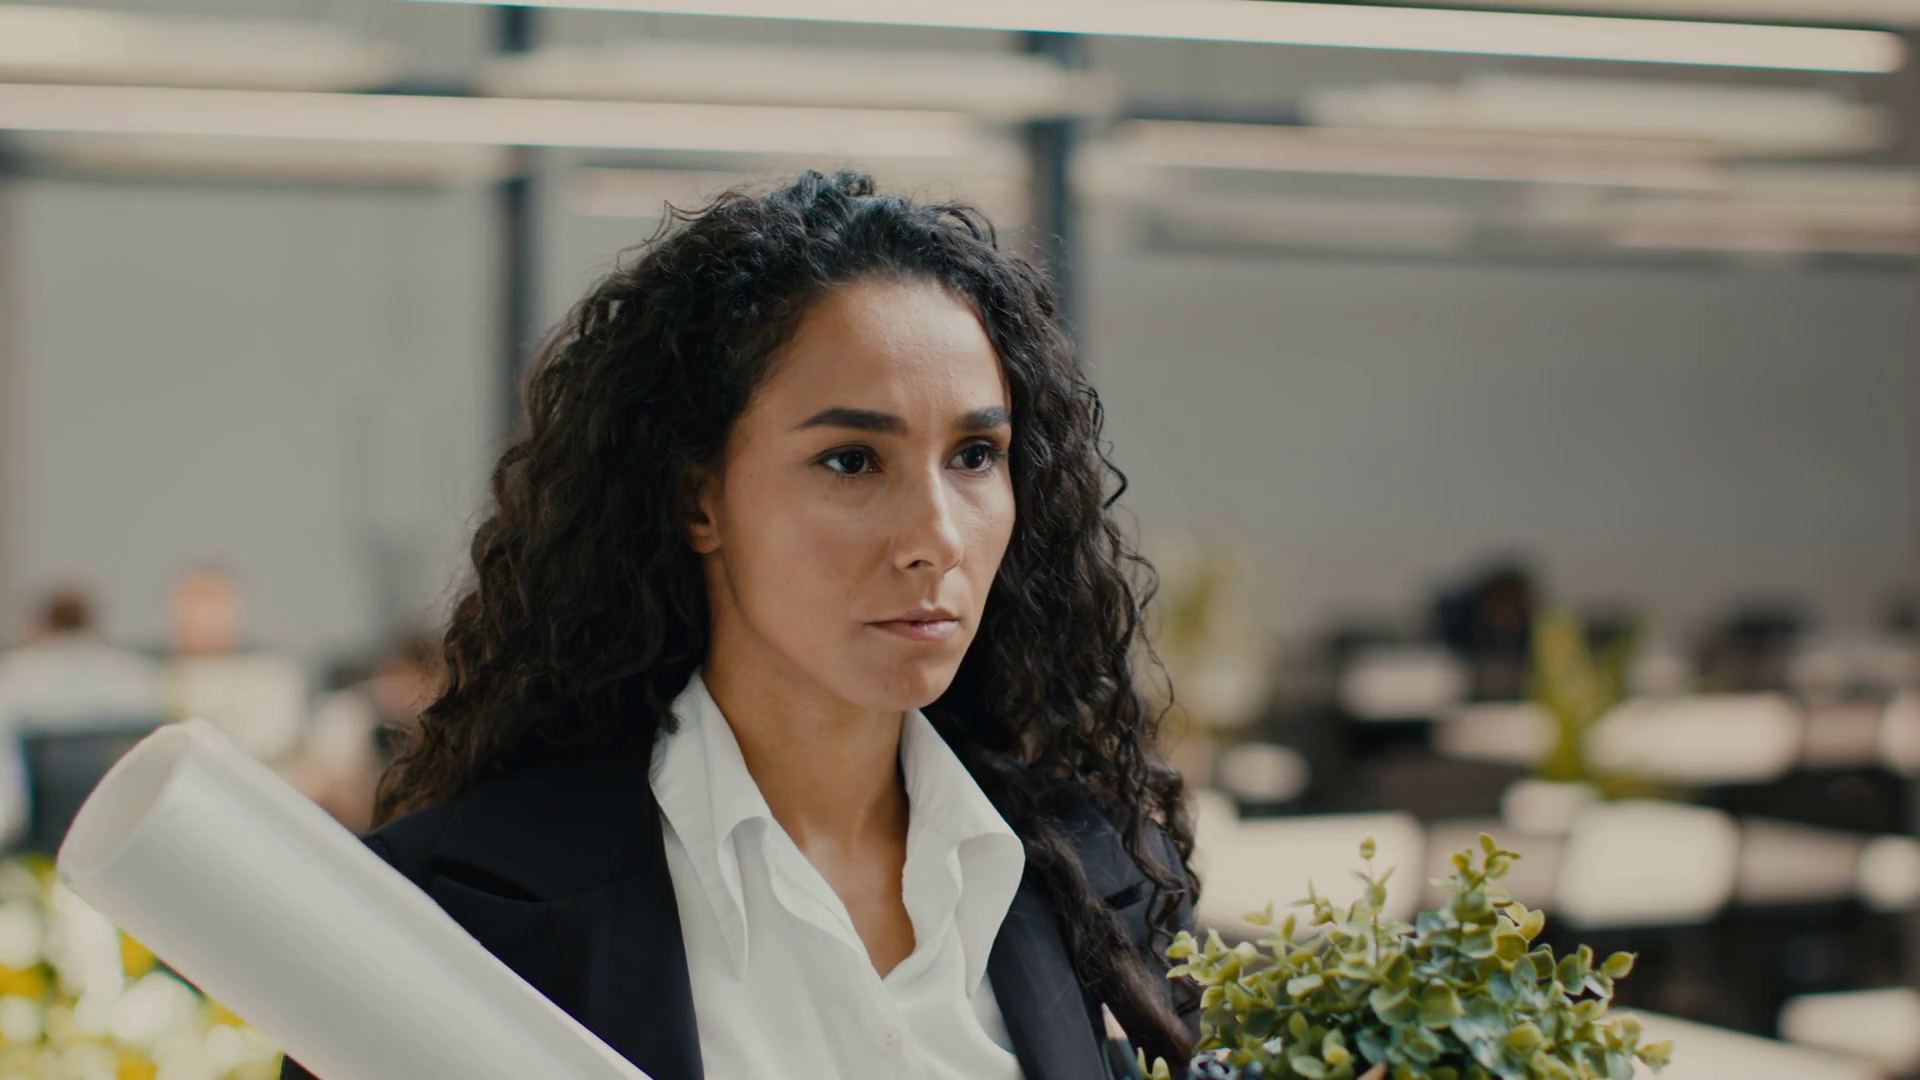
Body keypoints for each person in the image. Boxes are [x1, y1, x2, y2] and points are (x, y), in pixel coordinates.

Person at [281, 171, 1198, 1080]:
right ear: (699, 499)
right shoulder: (446, 911)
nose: (937, 538)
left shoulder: (1101, 876)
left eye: (974, 455)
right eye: (852, 460)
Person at [0, 585, 166, 843]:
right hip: (121, 834)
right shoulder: (138, 678)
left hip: (40, 841)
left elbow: (8, 809)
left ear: (42, 627)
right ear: (94, 625)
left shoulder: (14, 679)